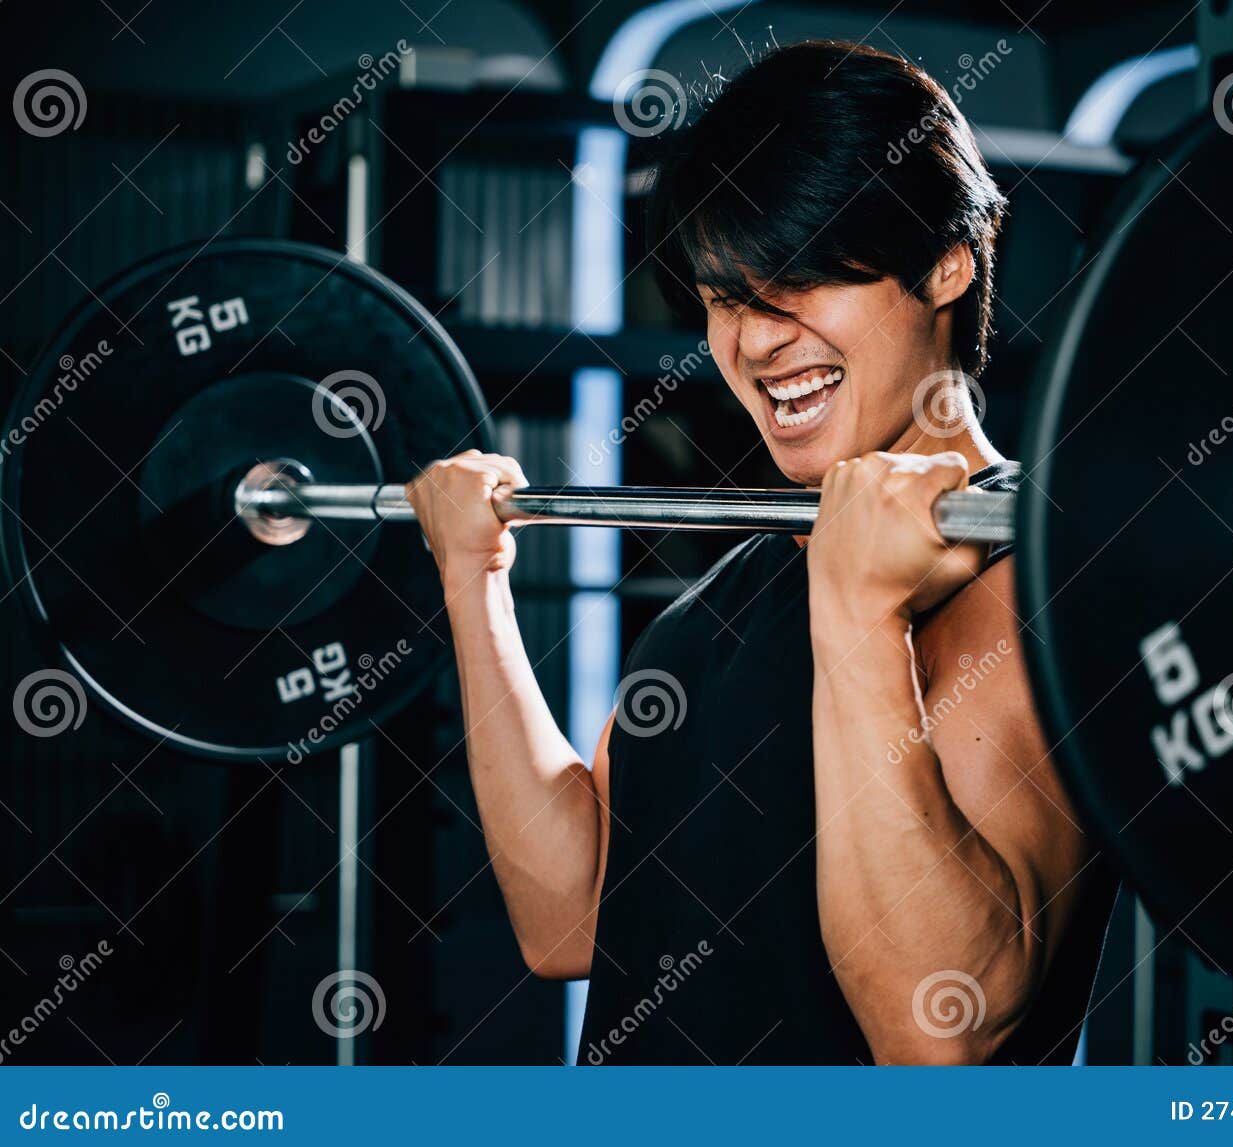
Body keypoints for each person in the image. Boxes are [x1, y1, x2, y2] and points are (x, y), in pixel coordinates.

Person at [405, 40, 1116, 1064]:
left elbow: (936, 1029)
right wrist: (472, 584)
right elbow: (566, 921)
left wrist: (863, 618)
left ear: (948, 260)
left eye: (803, 278)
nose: (752, 341)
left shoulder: (1032, 584)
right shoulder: (737, 588)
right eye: (724, 295)